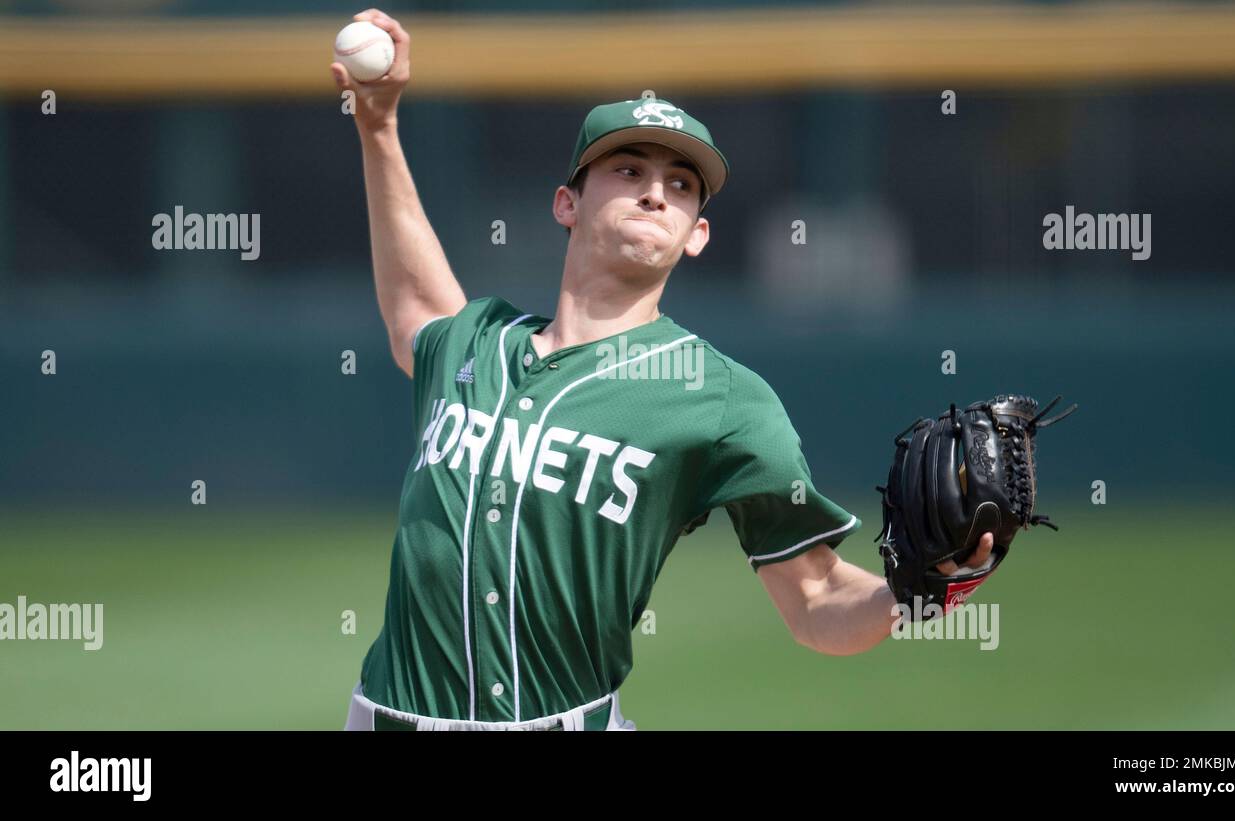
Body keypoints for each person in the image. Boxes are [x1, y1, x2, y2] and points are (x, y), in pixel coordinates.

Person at [332, 8, 994, 731]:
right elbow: (416, 308)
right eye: (628, 170)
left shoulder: (720, 400)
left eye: (682, 185)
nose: (656, 191)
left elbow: (814, 599)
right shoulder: (474, 343)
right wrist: (379, 127)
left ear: (697, 234)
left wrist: (922, 592)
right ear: (567, 203)